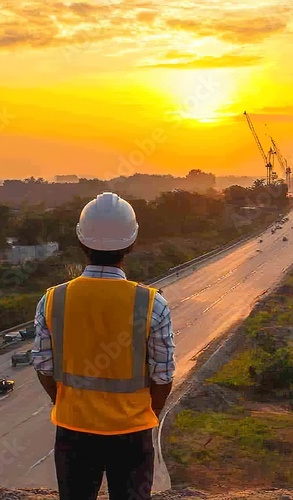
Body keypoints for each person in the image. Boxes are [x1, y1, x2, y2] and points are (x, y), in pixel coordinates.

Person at [32, 192, 175, 500]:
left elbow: (43, 367)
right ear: (132, 242)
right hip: (133, 434)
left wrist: (68, 403)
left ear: (82, 242)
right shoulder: (151, 303)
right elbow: (163, 376)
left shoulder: (54, 299)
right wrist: (149, 411)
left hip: (73, 431)